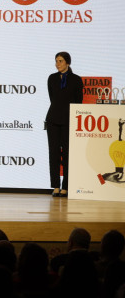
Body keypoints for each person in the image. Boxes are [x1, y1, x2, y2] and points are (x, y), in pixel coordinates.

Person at [45, 51, 84, 197]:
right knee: (53, 153)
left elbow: (78, 101)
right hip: (53, 119)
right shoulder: (51, 78)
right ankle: (55, 186)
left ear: (67, 62)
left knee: (67, 154)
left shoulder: (76, 80)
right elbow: (53, 98)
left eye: (60, 61)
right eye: (56, 61)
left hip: (69, 120)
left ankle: (66, 186)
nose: (57, 64)